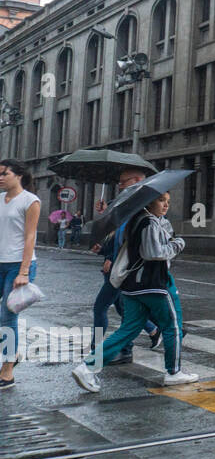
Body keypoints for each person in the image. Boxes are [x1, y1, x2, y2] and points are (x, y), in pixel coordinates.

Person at [71, 192, 197, 392]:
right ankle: (174, 371)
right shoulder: (147, 222)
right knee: (172, 326)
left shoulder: (140, 220)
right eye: (161, 200)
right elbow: (153, 253)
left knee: (128, 329)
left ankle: (87, 367)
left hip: (132, 286)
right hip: (153, 283)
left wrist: (164, 227)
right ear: (149, 201)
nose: (165, 205)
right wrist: (177, 244)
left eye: (168, 202)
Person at [89, 167, 162, 364]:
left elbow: (133, 240)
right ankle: (152, 331)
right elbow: (116, 235)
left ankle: (97, 349)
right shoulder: (122, 203)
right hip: (116, 267)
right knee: (125, 309)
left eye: (123, 181)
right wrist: (103, 246)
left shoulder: (144, 205)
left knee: (101, 308)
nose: (119, 185)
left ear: (137, 180)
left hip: (126, 267)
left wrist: (112, 257)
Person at [0, 160, 40, 390]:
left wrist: (24, 271)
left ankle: (7, 368)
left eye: (5, 173)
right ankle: (11, 350)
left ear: (19, 175)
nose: (0, 177)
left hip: (18, 265)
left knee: (8, 316)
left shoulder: (30, 201)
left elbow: (30, 237)